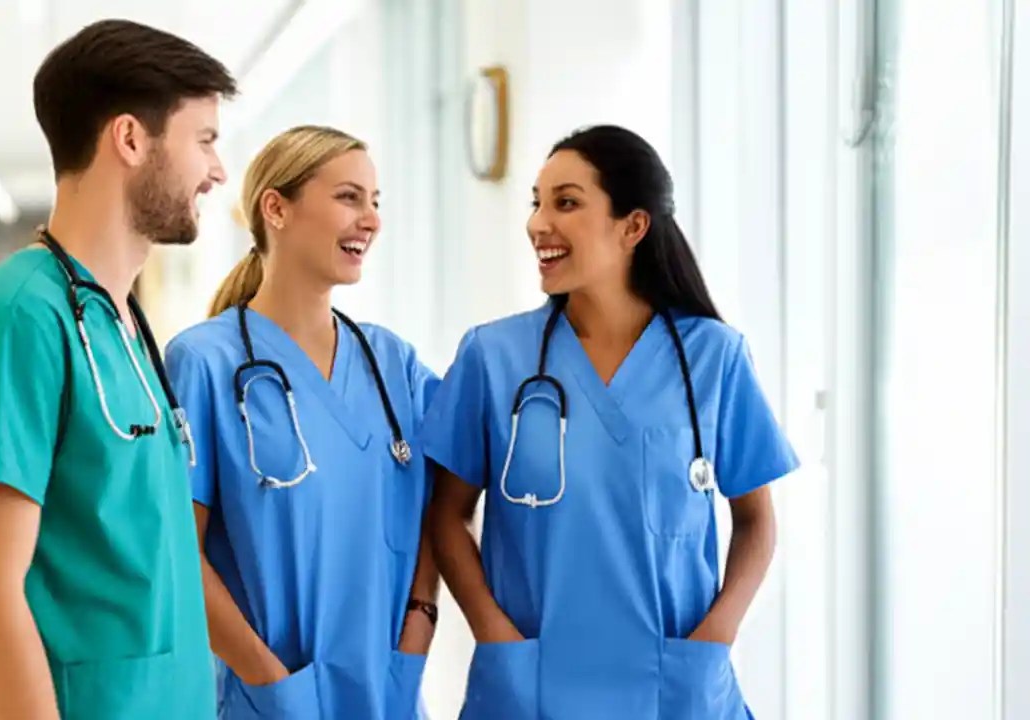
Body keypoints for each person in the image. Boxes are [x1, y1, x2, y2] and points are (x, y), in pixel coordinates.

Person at [422, 124, 798, 719]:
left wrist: (715, 639)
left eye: (566, 202)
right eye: (537, 203)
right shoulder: (493, 357)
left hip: (672, 686)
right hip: (533, 686)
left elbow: (756, 519)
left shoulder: (713, 357)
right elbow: (446, 514)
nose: (538, 223)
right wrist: (494, 635)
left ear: (633, 226)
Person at [0, 19, 236, 720]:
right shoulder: (17, 320)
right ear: (130, 138)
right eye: (205, 140)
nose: (218, 171)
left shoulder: (120, 323)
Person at [163, 125, 440, 720]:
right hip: (272, 701)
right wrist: (273, 686)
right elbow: (179, 554)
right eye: (348, 197)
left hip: (389, 695)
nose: (370, 219)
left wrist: (417, 628)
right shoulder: (205, 362)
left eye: (375, 201)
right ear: (276, 208)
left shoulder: (394, 363)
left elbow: (445, 501)